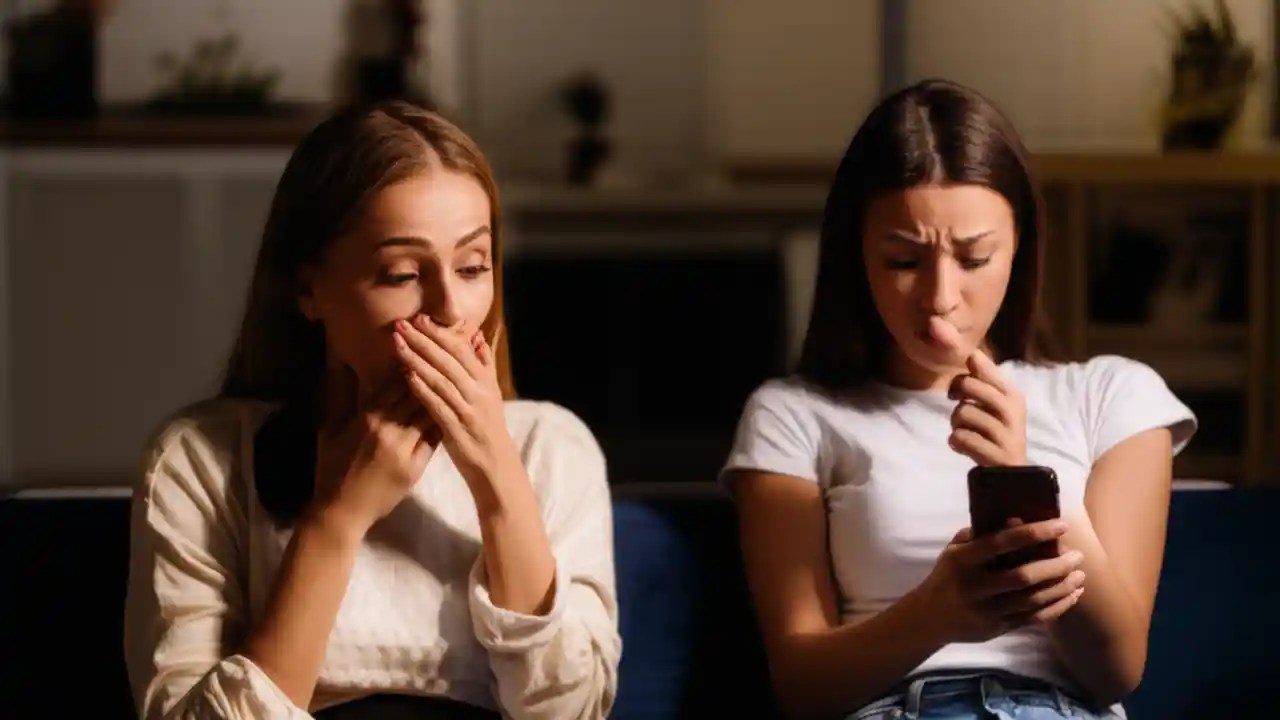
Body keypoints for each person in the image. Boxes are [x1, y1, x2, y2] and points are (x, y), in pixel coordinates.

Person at [124, 101, 620, 720]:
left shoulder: (552, 446)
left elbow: (570, 712)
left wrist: (497, 477)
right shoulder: (201, 458)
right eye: (402, 273)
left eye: (472, 266)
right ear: (309, 291)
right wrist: (337, 518)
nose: (449, 309)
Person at [722, 79, 1197, 720]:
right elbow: (801, 687)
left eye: (973, 258)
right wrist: (937, 612)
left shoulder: (1112, 395)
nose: (940, 296)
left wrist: (1022, 475)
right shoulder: (794, 415)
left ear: (1019, 248)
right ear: (857, 254)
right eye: (903, 260)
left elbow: (1116, 670)